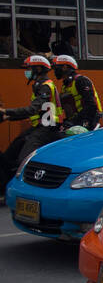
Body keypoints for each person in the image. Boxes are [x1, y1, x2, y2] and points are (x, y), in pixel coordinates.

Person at [0, 55, 65, 188]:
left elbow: (33, 109)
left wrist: (7, 112)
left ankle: (22, 188)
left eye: (29, 68)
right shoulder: (39, 85)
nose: (27, 72)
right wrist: (8, 117)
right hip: (39, 127)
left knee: (23, 159)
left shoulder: (45, 87)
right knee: (11, 152)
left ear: (39, 69)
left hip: (47, 129)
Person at [53, 55, 103, 131]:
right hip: (75, 120)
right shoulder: (65, 86)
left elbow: (91, 106)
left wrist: (72, 122)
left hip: (88, 120)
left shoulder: (81, 80)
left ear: (65, 67)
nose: (54, 71)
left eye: (56, 68)